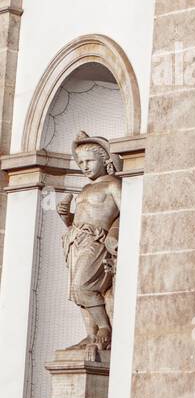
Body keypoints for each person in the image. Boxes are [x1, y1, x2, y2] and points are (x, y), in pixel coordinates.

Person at [57, 131, 123, 351]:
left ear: (104, 161)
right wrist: (66, 215)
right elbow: (77, 220)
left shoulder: (113, 184)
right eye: (81, 162)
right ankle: (90, 334)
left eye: (89, 161)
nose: (84, 166)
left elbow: (127, 213)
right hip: (75, 240)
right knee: (77, 292)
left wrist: (114, 236)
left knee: (82, 285)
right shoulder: (85, 188)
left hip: (97, 240)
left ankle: (105, 328)